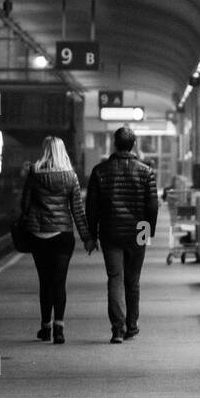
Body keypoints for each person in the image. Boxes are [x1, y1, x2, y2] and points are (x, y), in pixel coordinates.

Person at [85, 126, 158, 344]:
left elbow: (91, 206)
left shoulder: (100, 171)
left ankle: (118, 329)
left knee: (115, 278)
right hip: (139, 232)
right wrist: (149, 230)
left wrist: (92, 232)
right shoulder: (147, 171)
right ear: (133, 145)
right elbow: (152, 205)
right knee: (133, 281)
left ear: (114, 144)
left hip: (110, 232)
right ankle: (132, 326)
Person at [20, 136, 92, 344]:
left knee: (45, 282)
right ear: (63, 151)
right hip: (62, 235)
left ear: (45, 151)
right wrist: (87, 237)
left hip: (39, 234)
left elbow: (24, 205)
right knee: (59, 282)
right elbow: (77, 210)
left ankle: (46, 328)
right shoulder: (70, 176)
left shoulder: (34, 173)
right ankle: (59, 328)